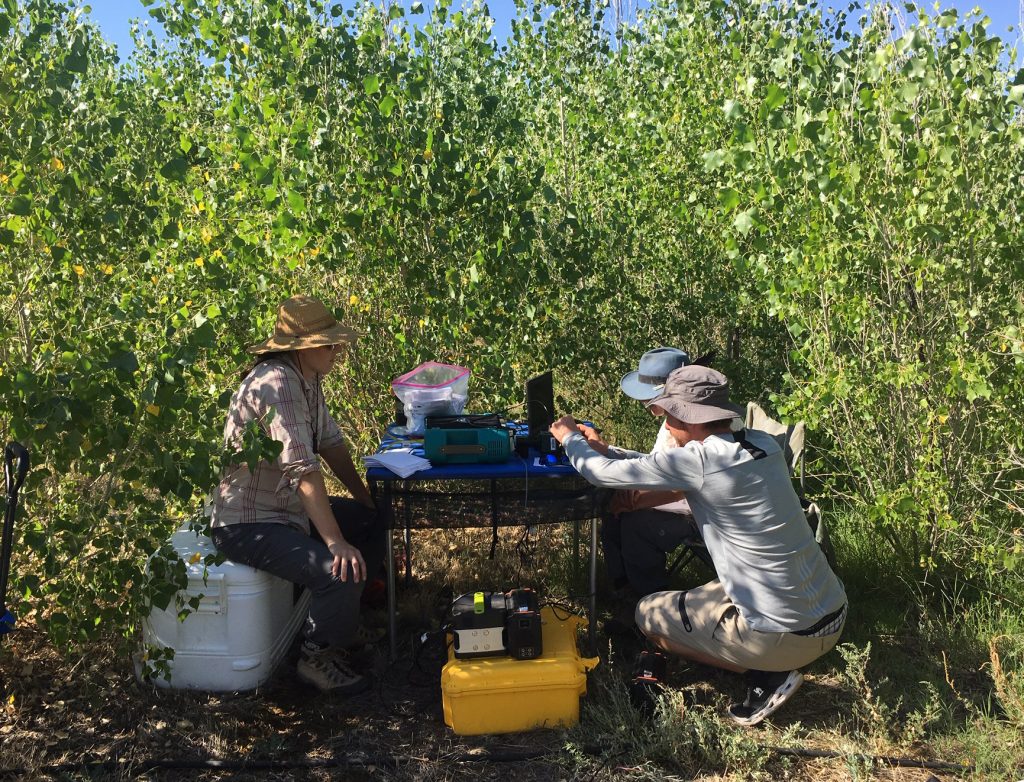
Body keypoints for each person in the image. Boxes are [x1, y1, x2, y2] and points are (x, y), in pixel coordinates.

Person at [550, 365, 847, 726]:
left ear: (684, 416)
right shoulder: (763, 445)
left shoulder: (701, 462)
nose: (664, 423)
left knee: (647, 613)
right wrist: (606, 448)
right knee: (708, 591)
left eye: (666, 414)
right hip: (832, 615)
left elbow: (597, 473)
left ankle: (765, 675)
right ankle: (769, 658)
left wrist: (570, 438)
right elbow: (654, 465)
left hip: (782, 642)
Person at [210, 295, 386, 695]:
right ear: (304, 347)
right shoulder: (279, 383)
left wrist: (364, 501)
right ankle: (316, 657)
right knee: (336, 570)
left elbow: (331, 444)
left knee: (373, 521)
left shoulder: (306, 378)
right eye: (330, 344)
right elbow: (302, 468)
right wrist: (335, 541)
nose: (337, 351)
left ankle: (343, 622)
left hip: (286, 512)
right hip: (247, 523)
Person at [601, 347, 703, 600]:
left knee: (636, 524)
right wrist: (611, 452)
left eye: (650, 398)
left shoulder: (699, 423)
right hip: (675, 498)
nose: (646, 404)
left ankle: (653, 603)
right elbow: (658, 464)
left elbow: (687, 486)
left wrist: (636, 501)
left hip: (701, 512)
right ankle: (625, 590)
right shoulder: (672, 420)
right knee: (611, 512)